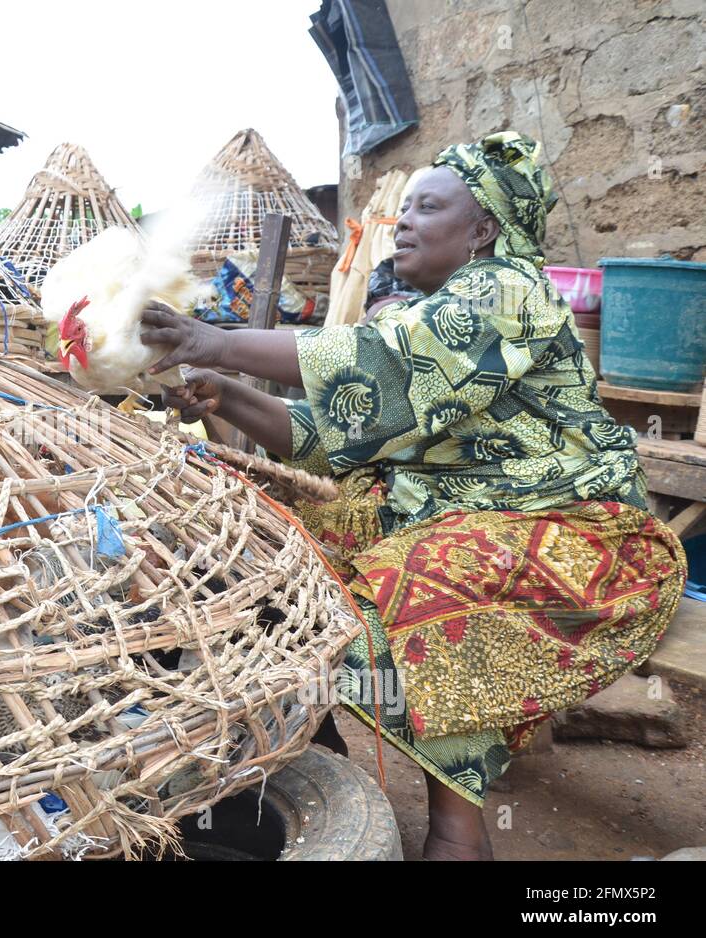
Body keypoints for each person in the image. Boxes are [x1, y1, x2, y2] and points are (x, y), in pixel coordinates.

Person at [140, 132, 686, 860]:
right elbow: (325, 432)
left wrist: (213, 340)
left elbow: (379, 369)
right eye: (406, 207)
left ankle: (454, 826)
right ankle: (324, 750)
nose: (403, 221)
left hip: (589, 538)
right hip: (475, 519)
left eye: (428, 207)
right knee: (301, 541)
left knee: (419, 583)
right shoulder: (419, 312)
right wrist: (228, 393)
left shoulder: (507, 289)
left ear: (483, 228)